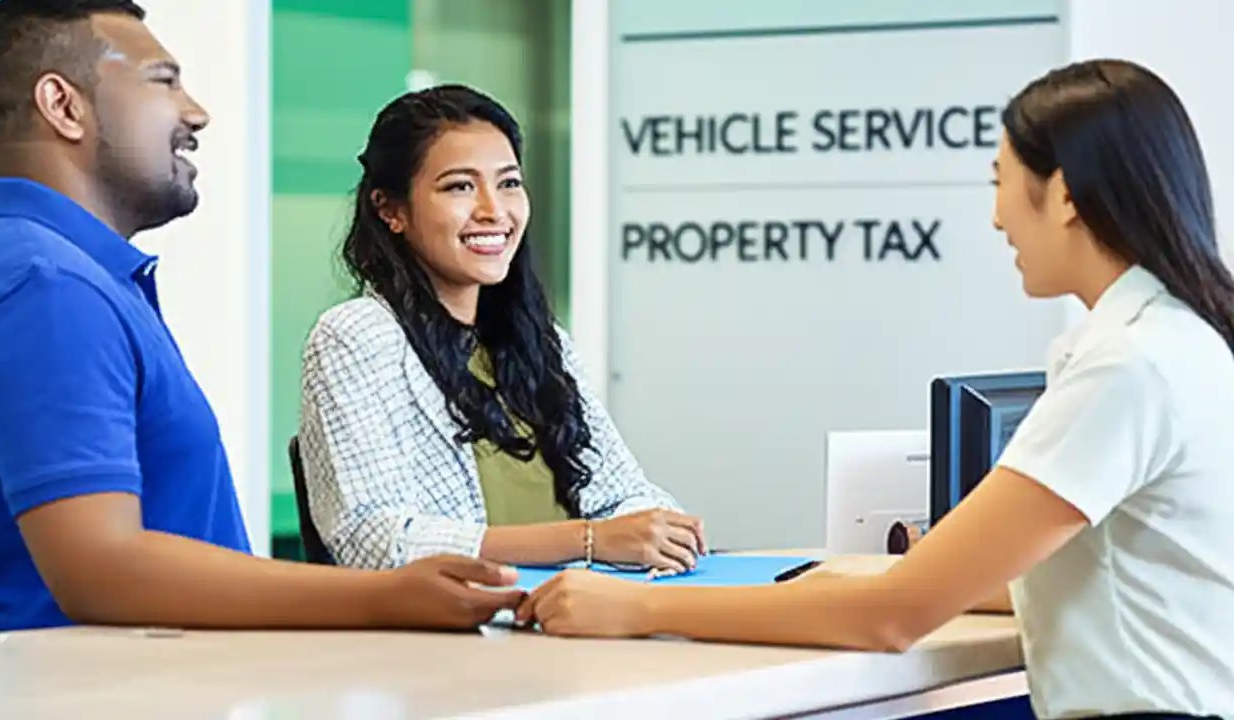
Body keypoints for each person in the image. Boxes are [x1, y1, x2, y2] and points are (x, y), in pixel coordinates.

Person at [516, 59, 1234, 720]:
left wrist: (638, 609)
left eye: (1000, 183)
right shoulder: (1181, 339)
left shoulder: (1127, 364)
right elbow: (1073, 571)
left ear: (1067, 196)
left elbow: (891, 620)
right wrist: (859, 582)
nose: (995, 216)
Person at [0, 0, 523, 638]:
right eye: (163, 81)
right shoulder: (46, 286)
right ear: (64, 106)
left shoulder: (55, 275)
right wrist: (382, 596)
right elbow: (100, 568)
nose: (196, 111)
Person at [298, 84, 705, 573]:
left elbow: (624, 492)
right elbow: (376, 541)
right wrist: (589, 540)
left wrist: (657, 530)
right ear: (391, 210)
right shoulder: (356, 336)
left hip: (578, 617)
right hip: (463, 636)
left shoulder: (537, 339)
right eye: (459, 186)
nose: (494, 210)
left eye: (509, 182)